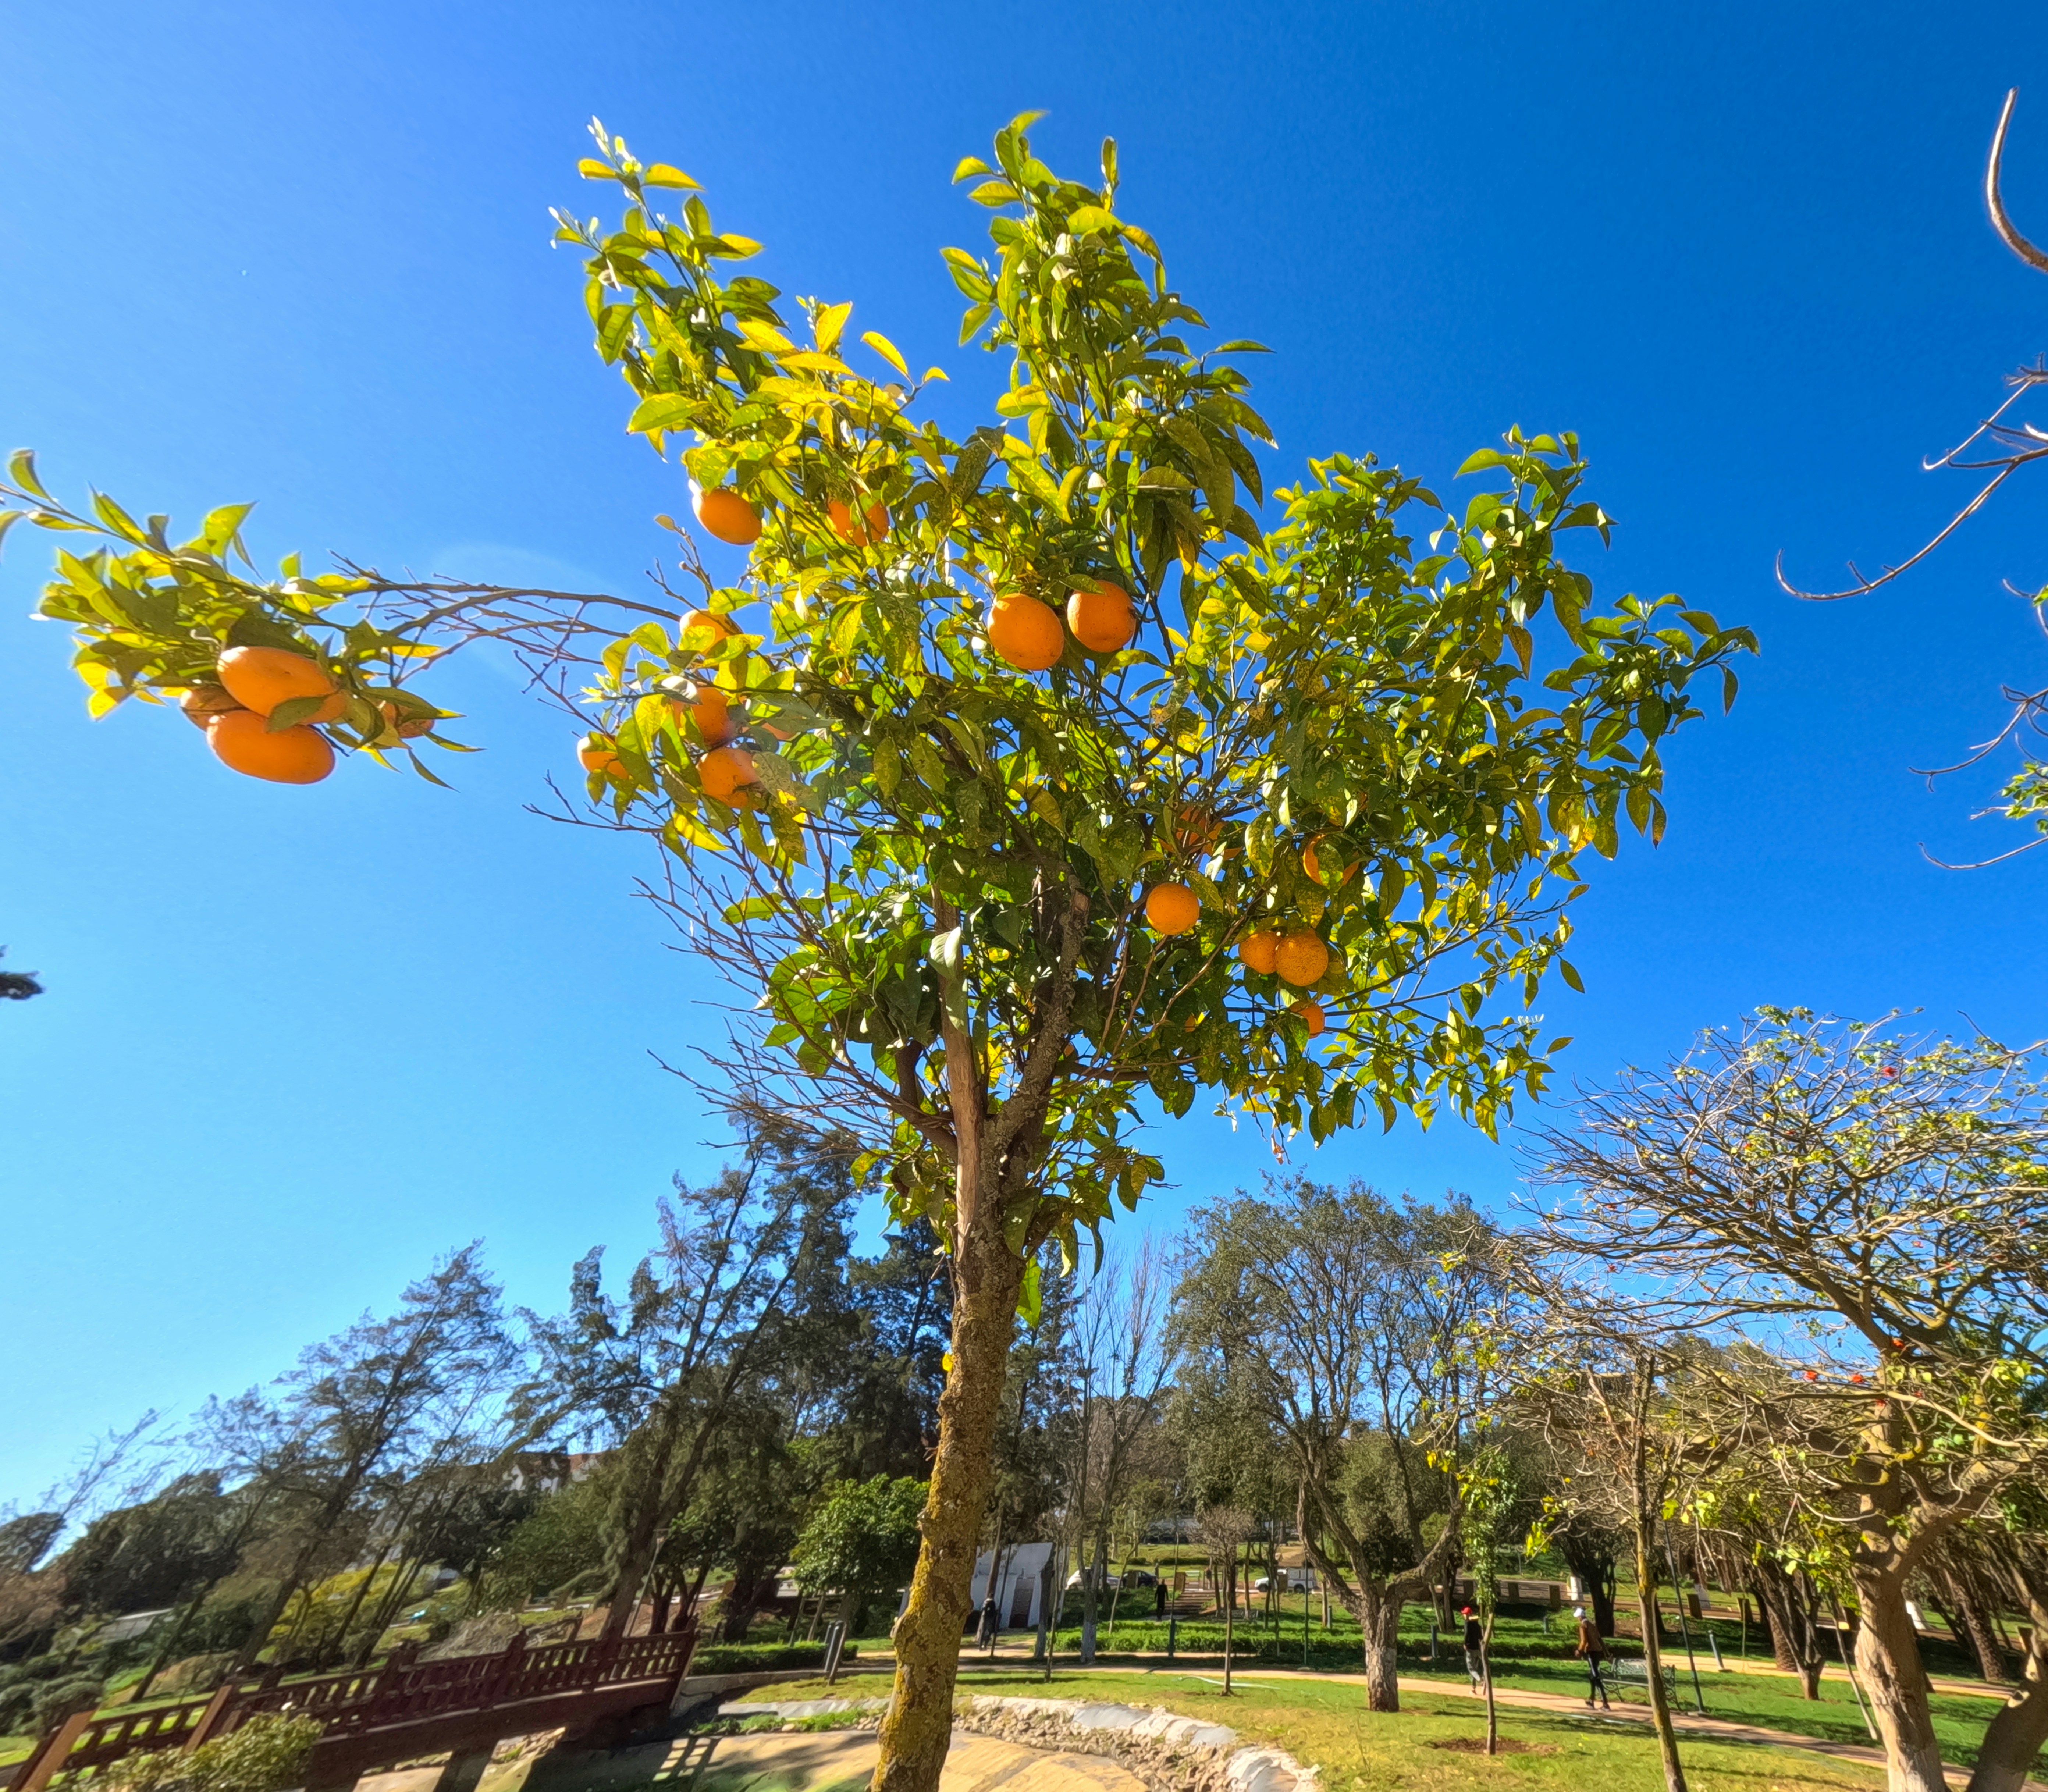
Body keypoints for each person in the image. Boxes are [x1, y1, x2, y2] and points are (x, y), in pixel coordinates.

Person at [1574, 1605, 1611, 1709]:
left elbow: (1584, 1641)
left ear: (1580, 1617)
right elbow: (1600, 1640)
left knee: (1595, 1676)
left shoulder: (1583, 1627)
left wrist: (1579, 1651)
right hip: (1598, 1652)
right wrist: (1607, 1654)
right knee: (1593, 1677)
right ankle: (1592, 1700)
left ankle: (1605, 1704)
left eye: (1578, 1617)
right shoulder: (1592, 1626)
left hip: (1591, 1653)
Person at [1461, 1604, 1484, 1691]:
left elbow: (1467, 1634)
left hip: (1470, 1648)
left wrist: (1465, 1644)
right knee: (1475, 1668)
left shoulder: (1467, 1623)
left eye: (1465, 1614)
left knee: (1471, 1668)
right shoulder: (1477, 1624)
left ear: (1468, 1615)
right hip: (1477, 1648)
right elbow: (1480, 1637)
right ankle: (1474, 1688)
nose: (1464, 1616)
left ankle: (1481, 1681)